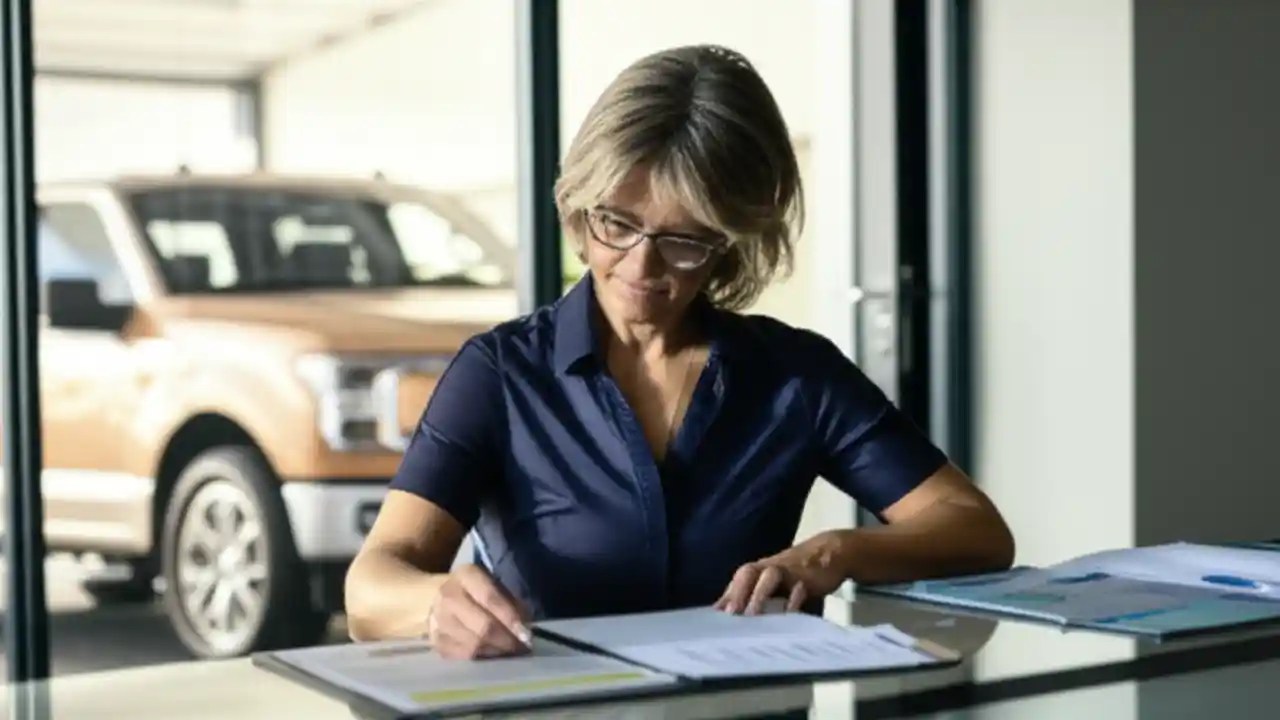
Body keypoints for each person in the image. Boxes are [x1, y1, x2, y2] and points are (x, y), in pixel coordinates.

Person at [345, 44, 1014, 660]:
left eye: (684, 239)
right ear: (581, 208)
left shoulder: (795, 376)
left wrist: (830, 555)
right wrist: (437, 603)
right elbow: (372, 585)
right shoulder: (501, 374)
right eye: (617, 222)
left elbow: (974, 529)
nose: (641, 265)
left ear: (732, 238)